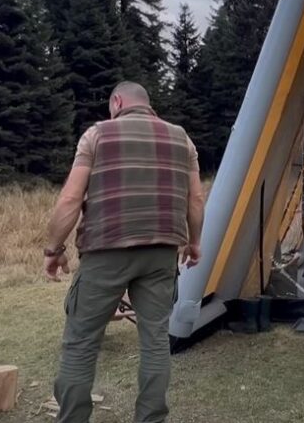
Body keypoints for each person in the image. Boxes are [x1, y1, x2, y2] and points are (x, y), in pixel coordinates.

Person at [43, 81, 205, 423]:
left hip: (105, 251)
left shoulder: (97, 135)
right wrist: (194, 242)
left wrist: (53, 249)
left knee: (81, 343)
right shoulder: (182, 139)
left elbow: (71, 199)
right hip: (162, 253)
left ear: (116, 101)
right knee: (155, 341)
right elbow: (195, 199)